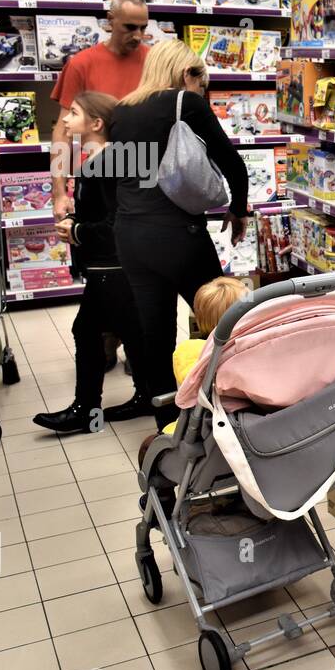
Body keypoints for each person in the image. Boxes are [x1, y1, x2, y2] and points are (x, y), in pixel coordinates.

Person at [106, 39, 250, 429]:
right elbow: (232, 163)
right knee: (224, 318)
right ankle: (233, 409)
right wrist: (238, 209)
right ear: (188, 74)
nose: (202, 91)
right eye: (201, 83)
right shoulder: (186, 103)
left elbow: (116, 177)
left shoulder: (122, 109)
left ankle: (168, 425)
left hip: (131, 235)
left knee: (155, 334)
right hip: (177, 235)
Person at [33, 92, 151, 434]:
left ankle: (89, 409)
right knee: (122, 331)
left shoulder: (109, 163)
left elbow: (118, 223)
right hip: (109, 268)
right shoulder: (100, 161)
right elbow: (104, 215)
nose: (65, 120)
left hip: (114, 268)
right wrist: (76, 221)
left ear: (96, 123)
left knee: (97, 330)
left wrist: (78, 230)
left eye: (73, 113)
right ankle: (144, 396)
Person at [50, 0, 151, 220]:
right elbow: (63, 131)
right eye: (130, 27)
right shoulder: (81, 64)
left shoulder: (154, 62)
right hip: (98, 178)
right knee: (96, 241)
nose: (138, 35)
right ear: (110, 20)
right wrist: (59, 193)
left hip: (144, 175)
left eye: (143, 28)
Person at [137, 276, 250, 465]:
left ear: (199, 317)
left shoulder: (191, 351)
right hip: (252, 426)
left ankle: (162, 485)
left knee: (149, 446)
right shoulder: (256, 346)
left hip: (208, 434)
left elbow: (192, 388)